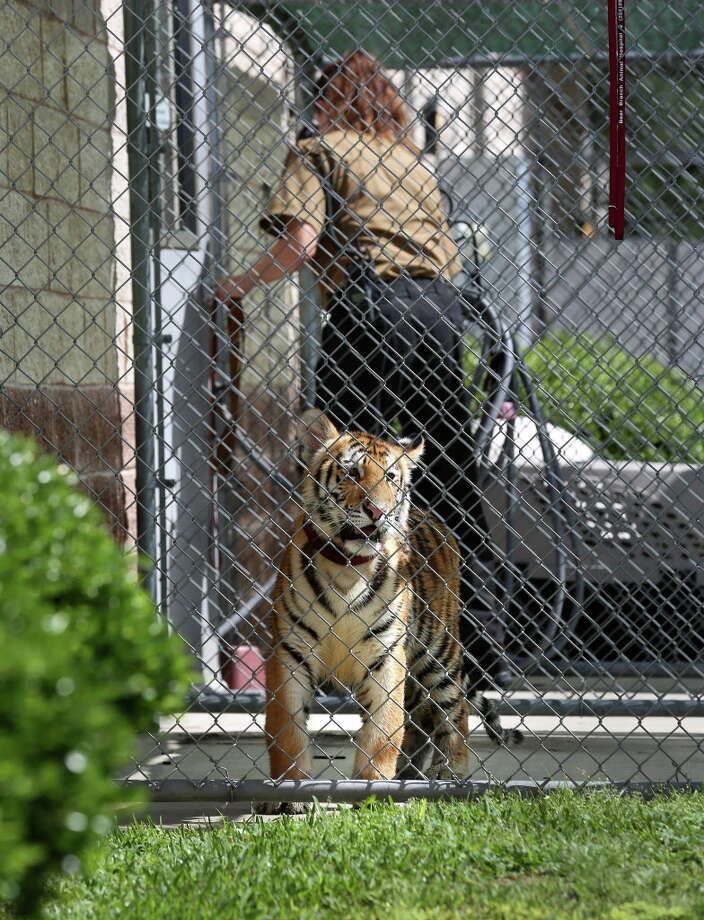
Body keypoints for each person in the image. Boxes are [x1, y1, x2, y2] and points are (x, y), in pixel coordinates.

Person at [215, 49, 512, 699]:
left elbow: (301, 244)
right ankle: (481, 655)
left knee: (349, 483)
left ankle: (348, 654)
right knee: (452, 483)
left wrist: (237, 285)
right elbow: (447, 254)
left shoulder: (317, 148)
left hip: (369, 311)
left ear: (324, 99)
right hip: (439, 312)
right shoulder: (413, 163)